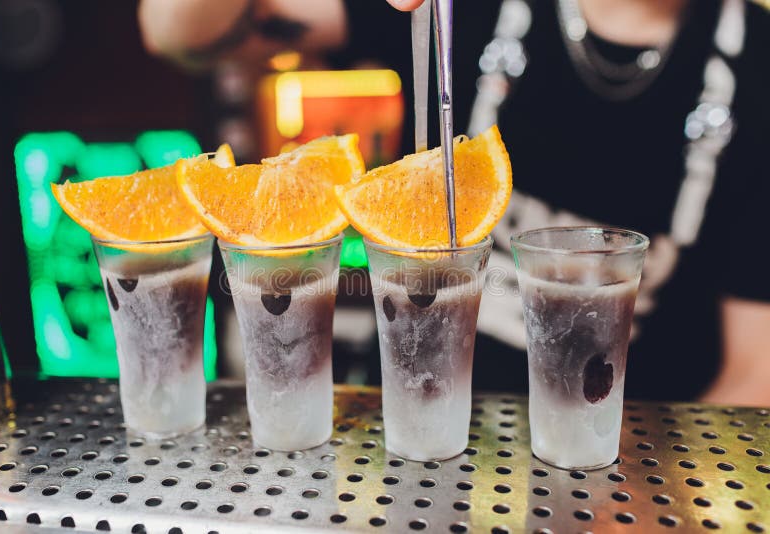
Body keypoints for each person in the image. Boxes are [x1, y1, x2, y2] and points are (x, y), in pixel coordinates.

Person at [139, 0, 770, 405]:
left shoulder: (758, 66)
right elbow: (179, 32)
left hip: (622, 455)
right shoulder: (461, 8)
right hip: (423, 436)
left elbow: (756, 374)